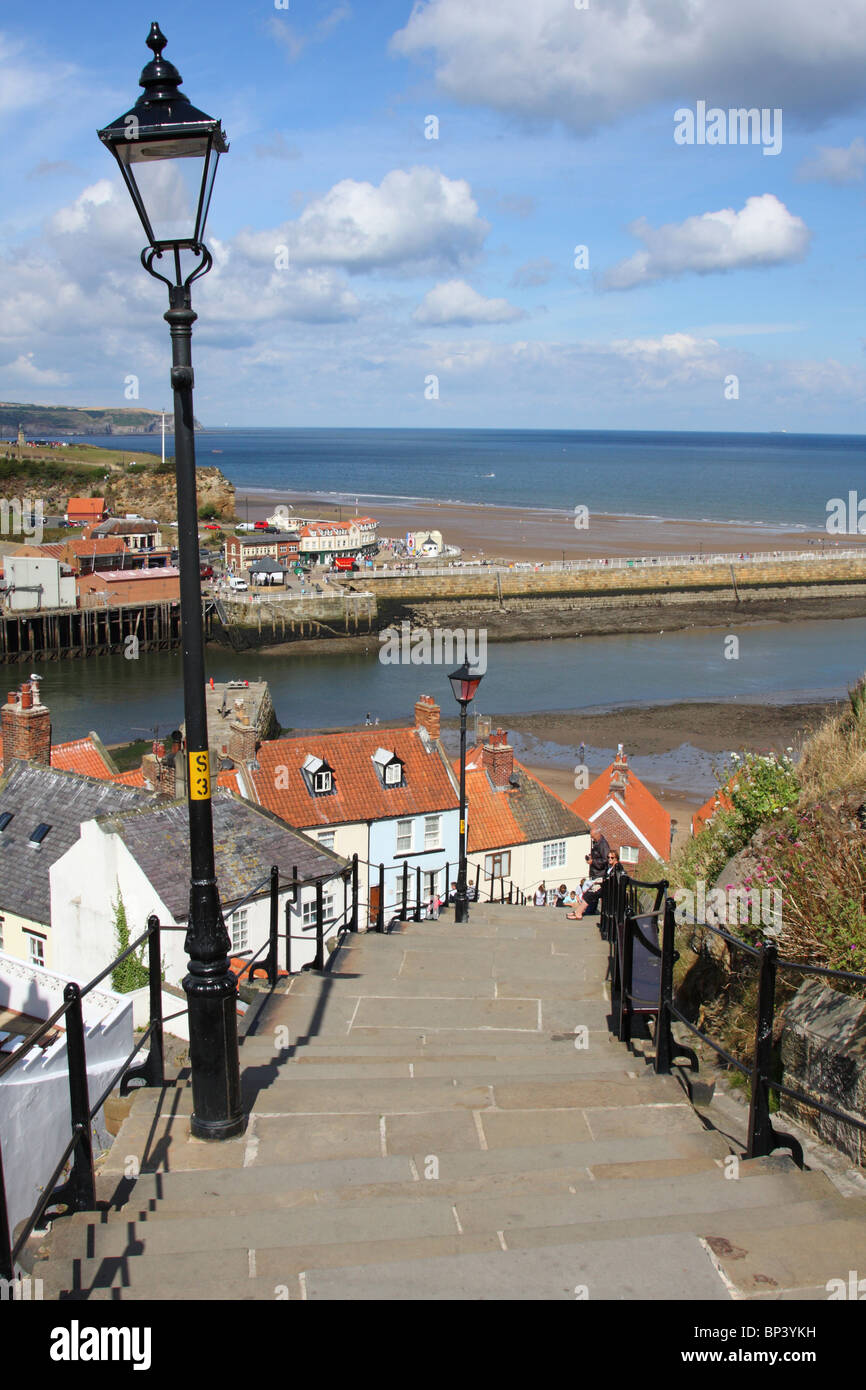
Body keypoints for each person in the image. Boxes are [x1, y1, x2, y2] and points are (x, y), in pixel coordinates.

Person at [568, 850, 623, 919]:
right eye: (608, 857)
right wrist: (600, 880)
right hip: (605, 886)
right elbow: (607, 877)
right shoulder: (610, 866)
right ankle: (578, 911)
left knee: (591, 893)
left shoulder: (617, 867)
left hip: (610, 890)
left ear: (616, 858)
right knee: (589, 891)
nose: (609, 859)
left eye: (612, 857)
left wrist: (602, 881)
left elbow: (613, 880)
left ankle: (579, 913)